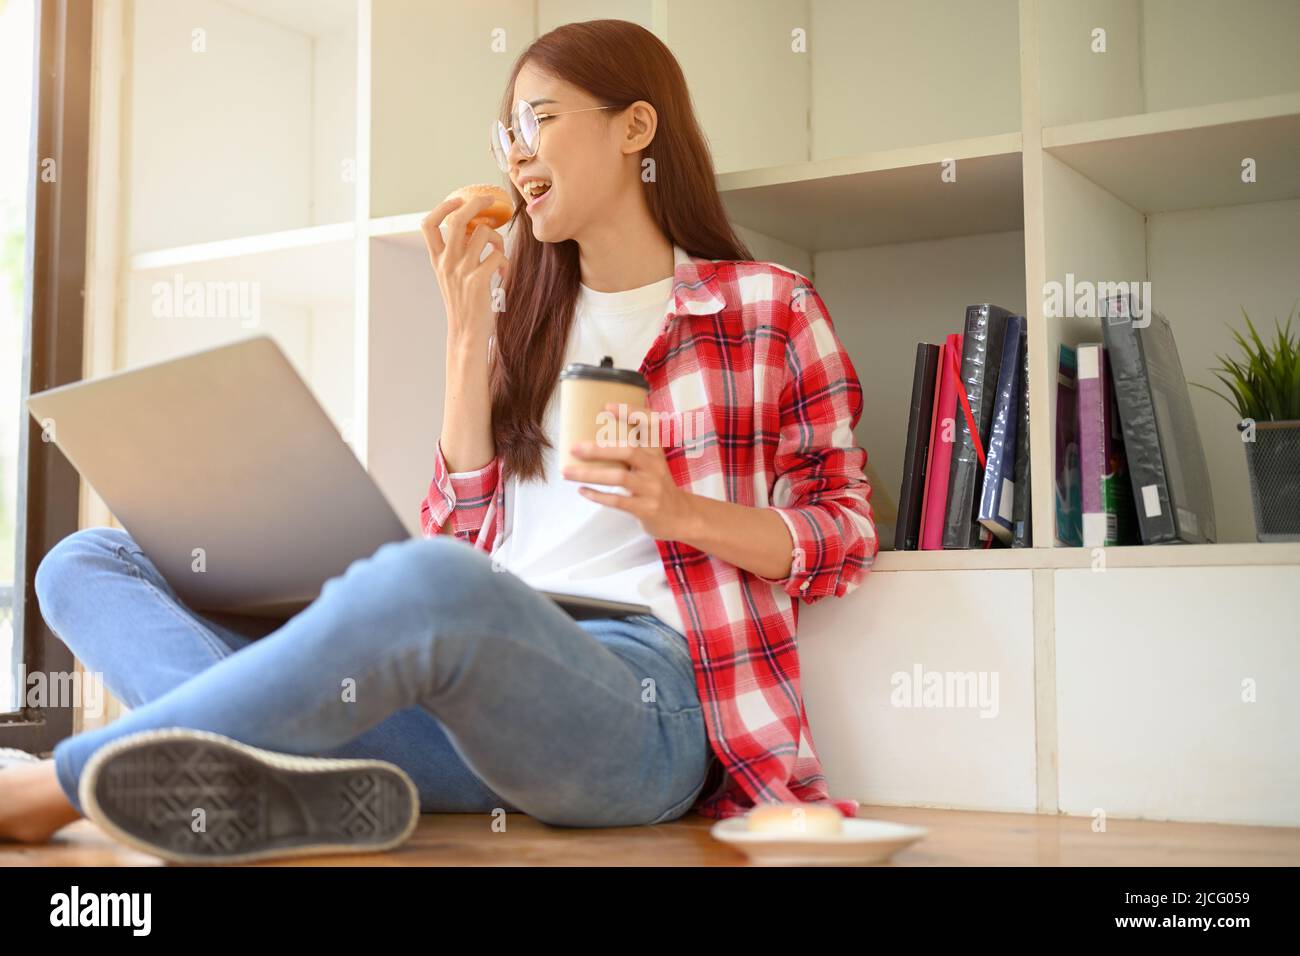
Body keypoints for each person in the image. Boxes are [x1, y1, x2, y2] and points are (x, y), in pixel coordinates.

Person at [0, 18, 878, 860]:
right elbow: (458, 543)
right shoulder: (523, 322)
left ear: (635, 127)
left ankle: (59, 787)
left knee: (437, 583)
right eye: (507, 135)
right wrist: (467, 338)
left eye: (538, 120)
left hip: (639, 711)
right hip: (466, 703)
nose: (518, 153)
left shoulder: (766, 307)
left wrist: (680, 510)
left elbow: (844, 532)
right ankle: (260, 784)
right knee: (84, 562)